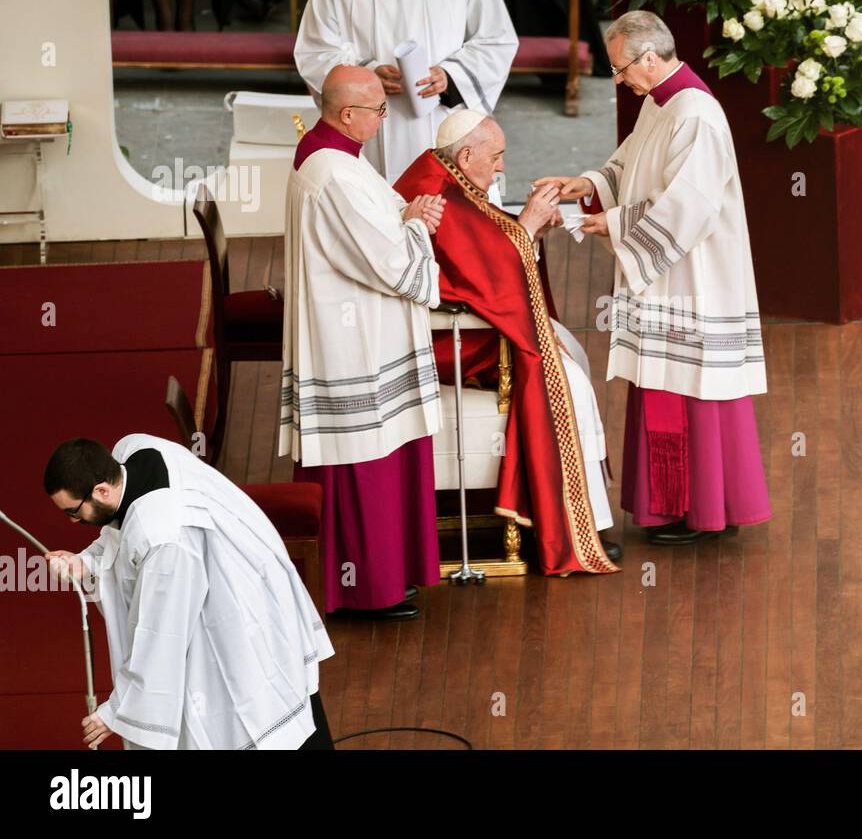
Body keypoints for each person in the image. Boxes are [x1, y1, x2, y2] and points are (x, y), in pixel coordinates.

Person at [538, 10, 772, 545]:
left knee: (697, 387)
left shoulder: (696, 114)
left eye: (621, 69)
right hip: (670, 273)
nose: (618, 80)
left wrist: (613, 222)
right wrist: (588, 185)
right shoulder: (659, 102)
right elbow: (629, 167)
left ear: (649, 58)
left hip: (696, 275)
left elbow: (687, 207)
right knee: (666, 382)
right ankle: (674, 507)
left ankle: (705, 509)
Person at [393, 109, 621, 574]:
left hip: (463, 323)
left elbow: (484, 258)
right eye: (496, 158)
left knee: (569, 350)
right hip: (451, 340)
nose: (501, 167)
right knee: (566, 381)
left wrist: (523, 226)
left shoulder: (444, 173)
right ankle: (572, 526)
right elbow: (479, 281)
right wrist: (529, 226)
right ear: (467, 153)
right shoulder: (437, 191)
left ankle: (576, 514)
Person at [42, 435, 334, 750]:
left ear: (101, 490)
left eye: (73, 511)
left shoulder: (164, 536)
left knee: (254, 712)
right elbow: (121, 534)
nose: (72, 522)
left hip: (233, 619)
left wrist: (115, 712)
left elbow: (159, 638)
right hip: (235, 579)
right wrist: (85, 562)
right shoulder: (133, 450)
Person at [281, 65, 446, 620]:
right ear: (347, 114)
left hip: (353, 329)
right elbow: (391, 265)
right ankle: (365, 590)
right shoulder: (334, 173)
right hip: (353, 341)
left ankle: (383, 576)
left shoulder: (331, 153)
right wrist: (419, 228)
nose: (384, 116)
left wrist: (404, 214)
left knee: (373, 455)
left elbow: (363, 235)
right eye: (378, 109)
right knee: (363, 460)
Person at [294, 0, 518, 182]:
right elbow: (314, 51)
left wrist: (450, 76)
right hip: (373, 125)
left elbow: (497, 40)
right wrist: (367, 73)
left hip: (440, 116)